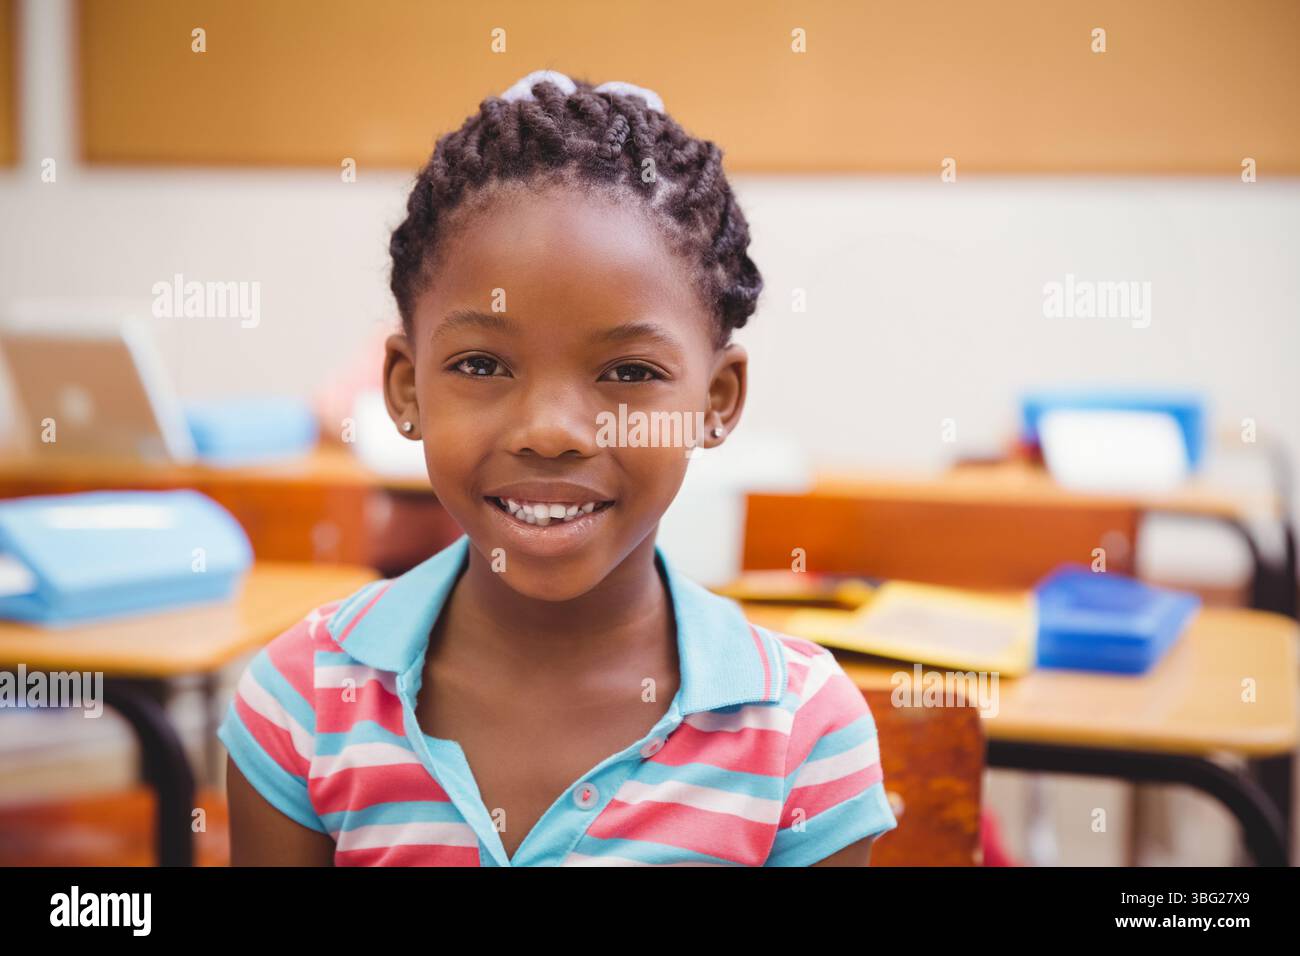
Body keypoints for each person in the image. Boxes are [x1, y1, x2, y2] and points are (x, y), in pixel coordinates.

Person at [220, 70, 898, 866]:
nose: (551, 432)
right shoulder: (303, 702)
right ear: (405, 389)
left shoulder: (802, 736)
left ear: (717, 399)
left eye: (630, 372)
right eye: (481, 364)